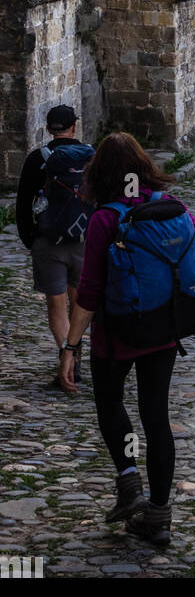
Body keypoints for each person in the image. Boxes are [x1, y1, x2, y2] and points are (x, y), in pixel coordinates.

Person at [58, 133, 195, 548]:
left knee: (111, 403)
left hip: (117, 335)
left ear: (100, 175)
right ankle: (159, 518)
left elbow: (90, 291)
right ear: (144, 167)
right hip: (163, 331)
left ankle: (129, 481)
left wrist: (70, 347)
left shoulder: (105, 219)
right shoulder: (174, 209)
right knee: (156, 417)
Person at [16, 105, 94, 388]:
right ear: (75, 126)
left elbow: (23, 204)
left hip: (49, 241)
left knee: (56, 306)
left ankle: (66, 361)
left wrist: (31, 239)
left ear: (49, 129)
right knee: (80, 305)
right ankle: (76, 362)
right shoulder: (92, 156)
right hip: (85, 241)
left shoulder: (38, 158)